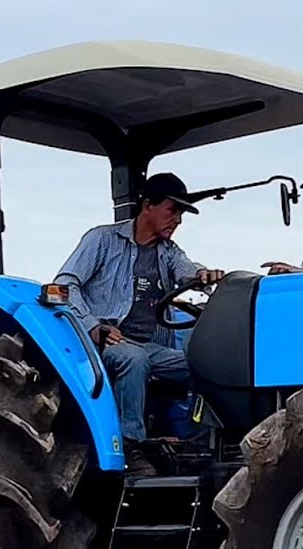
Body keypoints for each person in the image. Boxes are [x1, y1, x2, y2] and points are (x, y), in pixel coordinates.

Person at [54, 172, 225, 477]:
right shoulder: (103, 240)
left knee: (203, 365)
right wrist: (93, 325)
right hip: (101, 343)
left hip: (147, 346)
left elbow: (187, 272)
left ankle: (197, 443)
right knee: (133, 360)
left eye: (181, 214)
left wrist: (204, 274)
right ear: (148, 205)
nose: (178, 220)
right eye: (172, 210)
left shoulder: (167, 252)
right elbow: (66, 283)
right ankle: (131, 448)